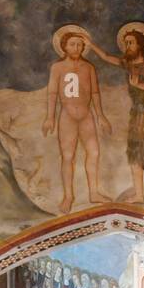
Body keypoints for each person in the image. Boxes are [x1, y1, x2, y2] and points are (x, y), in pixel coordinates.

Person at [87, 24, 144, 211]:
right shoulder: (129, 63)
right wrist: (90, 44)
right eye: (125, 42)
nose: (127, 45)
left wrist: (139, 85)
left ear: (140, 44)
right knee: (135, 154)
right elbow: (106, 57)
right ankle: (138, 194)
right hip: (137, 114)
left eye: (131, 42)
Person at [43, 27, 113, 213]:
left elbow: (95, 93)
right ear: (64, 46)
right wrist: (49, 117)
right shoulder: (57, 67)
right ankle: (68, 196)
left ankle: (94, 192)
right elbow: (52, 93)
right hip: (67, 116)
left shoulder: (88, 67)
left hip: (86, 115)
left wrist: (101, 116)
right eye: (72, 44)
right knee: (68, 157)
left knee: (94, 152)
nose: (77, 48)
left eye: (80, 45)